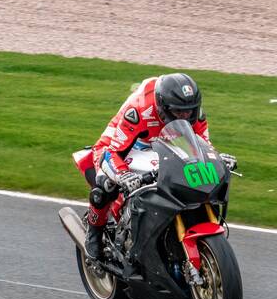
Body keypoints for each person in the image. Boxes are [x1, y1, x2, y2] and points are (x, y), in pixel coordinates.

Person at [80, 73, 235, 262]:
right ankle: (94, 233)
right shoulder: (139, 110)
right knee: (106, 184)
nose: (185, 115)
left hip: (164, 142)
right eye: (178, 112)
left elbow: (202, 146)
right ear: (163, 107)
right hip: (124, 143)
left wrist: (217, 159)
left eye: (189, 111)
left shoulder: (196, 115)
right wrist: (122, 175)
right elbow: (112, 152)